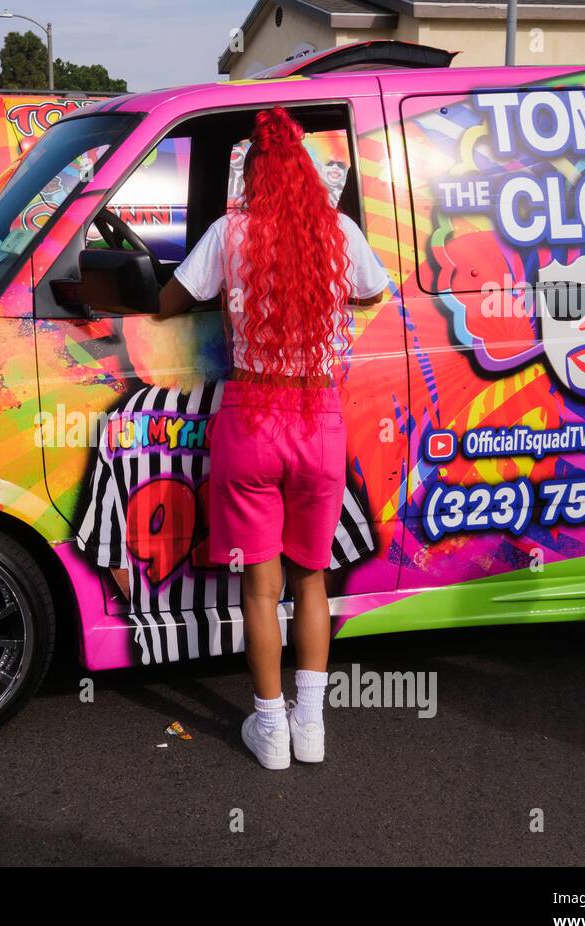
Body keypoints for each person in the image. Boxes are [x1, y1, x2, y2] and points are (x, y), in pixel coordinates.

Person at [152, 107, 388, 769]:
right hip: (319, 420)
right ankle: (310, 729)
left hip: (250, 417)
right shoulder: (339, 231)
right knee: (313, 582)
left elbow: (170, 301)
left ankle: (270, 731)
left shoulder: (230, 234)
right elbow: (374, 293)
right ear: (308, 178)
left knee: (262, 589)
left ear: (252, 175)